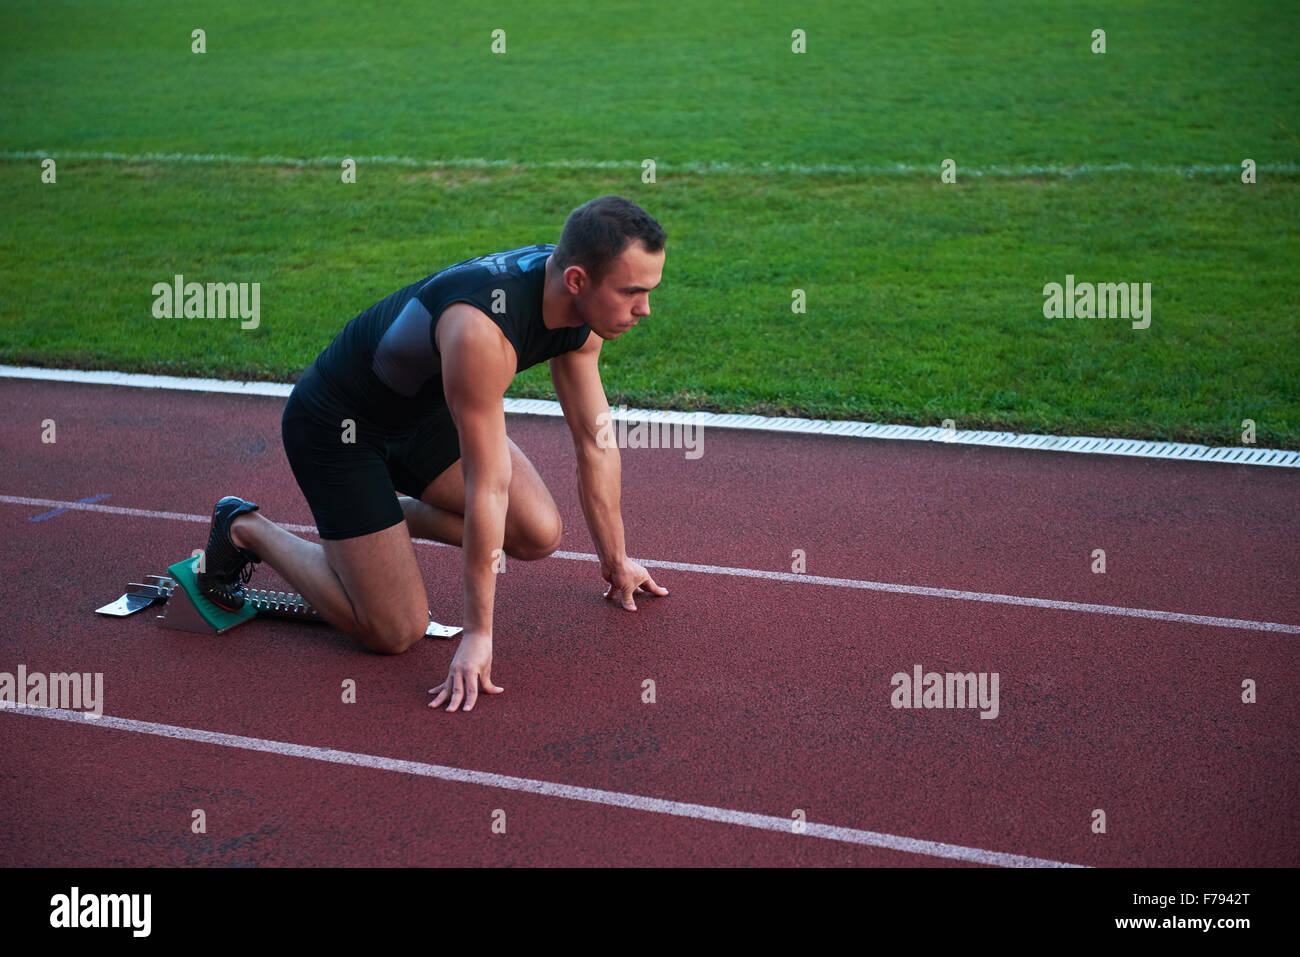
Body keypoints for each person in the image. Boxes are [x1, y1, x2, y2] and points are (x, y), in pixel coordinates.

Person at [195, 195, 669, 713]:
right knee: (395, 631)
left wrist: (616, 562)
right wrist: (478, 634)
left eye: (648, 291)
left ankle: (377, 527)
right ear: (577, 279)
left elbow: (595, 442)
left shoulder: (581, 307)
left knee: (537, 533)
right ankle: (246, 527)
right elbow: (487, 487)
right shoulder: (481, 330)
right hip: (337, 425)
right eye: (632, 292)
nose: (644, 309)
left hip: (423, 416)